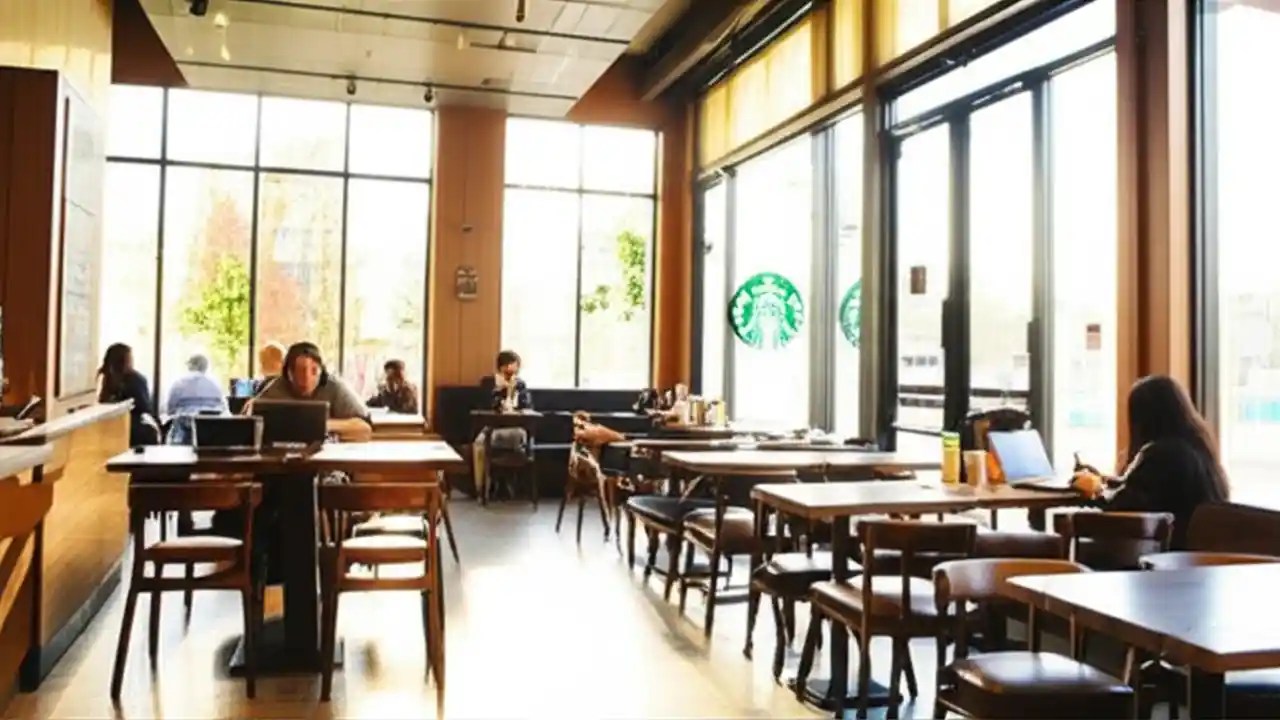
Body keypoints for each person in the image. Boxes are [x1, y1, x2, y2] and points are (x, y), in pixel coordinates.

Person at [1071, 374, 1230, 548]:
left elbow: (1119, 509)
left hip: (1168, 556)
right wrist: (1103, 480)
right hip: (1196, 555)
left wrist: (1091, 490)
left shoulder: (1162, 454)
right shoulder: (1196, 451)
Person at [252, 342, 372, 442]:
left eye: (314, 371)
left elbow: (364, 429)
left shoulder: (335, 387)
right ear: (288, 373)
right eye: (300, 371)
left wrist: (323, 425)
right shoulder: (276, 390)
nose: (306, 379)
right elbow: (253, 426)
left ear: (321, 371)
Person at [473, 350, 534, 498]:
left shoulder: (520, 385)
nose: (511, 371)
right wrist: (500, 391)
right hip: (493, 428)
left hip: (515, 429)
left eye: (515, 367)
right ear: (500, 367)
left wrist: (515, 394)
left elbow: (527, 406)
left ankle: (508, 483)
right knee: (479, 444)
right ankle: (481, 487)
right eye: (507, 367)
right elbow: (485, 406)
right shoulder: (489, 383)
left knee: (517, 439)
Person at [97, 343, 159, 446]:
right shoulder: (136, 379)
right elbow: (144, 407)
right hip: (133, 431)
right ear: (126, 360)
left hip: (106, 429)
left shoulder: (103, 378)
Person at [165, 353, 228, 444]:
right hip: (212, 431)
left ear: (191, 365)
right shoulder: (215, 384)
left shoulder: (179, 382)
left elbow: (170, 409)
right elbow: (223, 408)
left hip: (184, 432)